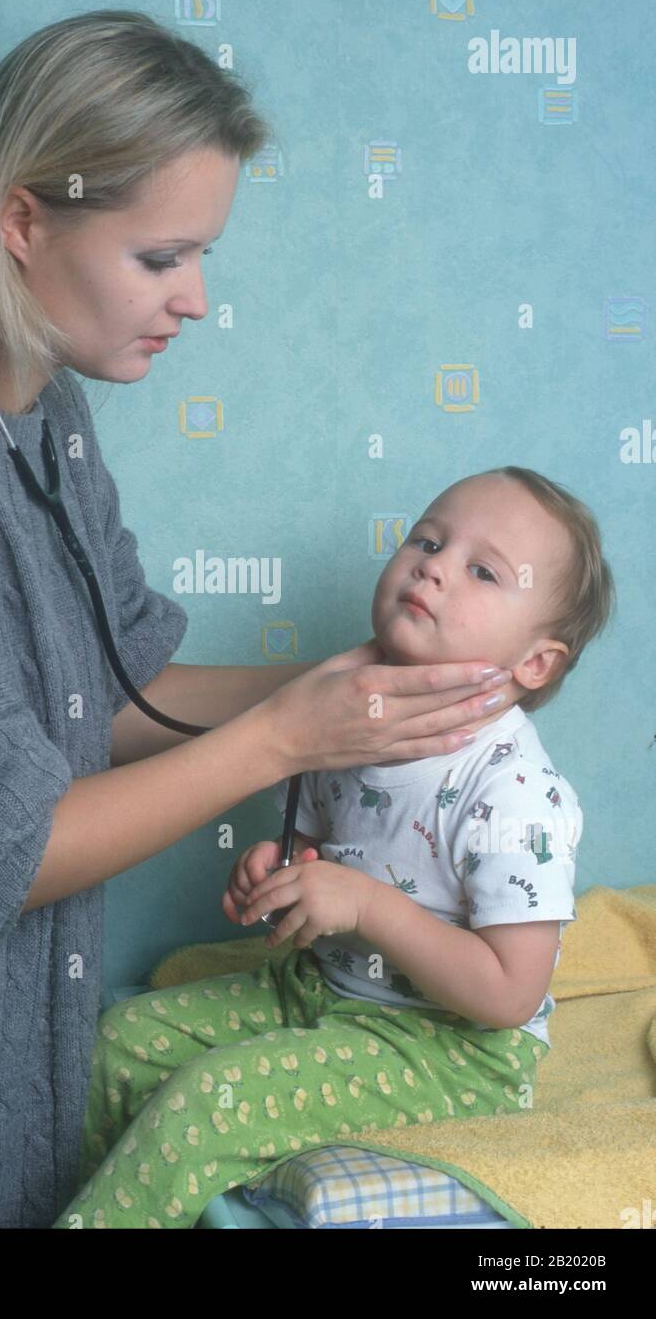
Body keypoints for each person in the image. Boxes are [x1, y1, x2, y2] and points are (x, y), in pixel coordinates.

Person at [0, 10, 518, 1230]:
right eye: (161, 258)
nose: (195, 299)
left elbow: (117, 685)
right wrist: (284, 738)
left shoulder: (44, 413)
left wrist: (369, 694)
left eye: (203, 256)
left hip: (9, 1075)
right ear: (22, 221)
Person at [56, 466, 614, 1231]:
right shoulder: (346, 725)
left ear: (536, 663)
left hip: (447, 1049)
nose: (434, 566)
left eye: (483, 571)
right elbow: (318, 863)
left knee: (210, 1102)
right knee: (116, 1042)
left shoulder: (515, 792)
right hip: (322, 993)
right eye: (428, 539)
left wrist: (364, 904)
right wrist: (279, 874)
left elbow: (510, 995)